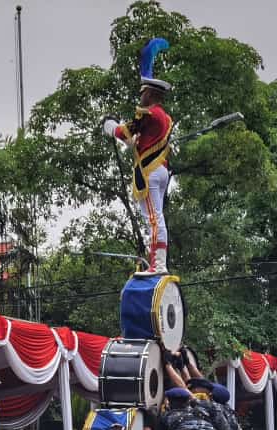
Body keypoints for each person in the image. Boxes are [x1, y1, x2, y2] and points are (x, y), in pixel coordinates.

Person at [102, 37, 173, 273]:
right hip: (160, 169)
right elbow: (143, 139)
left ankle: (159, 265)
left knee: (153, 219)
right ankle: (156, 263)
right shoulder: (164, 117)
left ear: (150, 94)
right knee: (156, 217)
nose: (140, 97)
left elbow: (127, 131)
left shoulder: (149, 113)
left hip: (150, 173)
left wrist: (111, 127)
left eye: (142, 92)